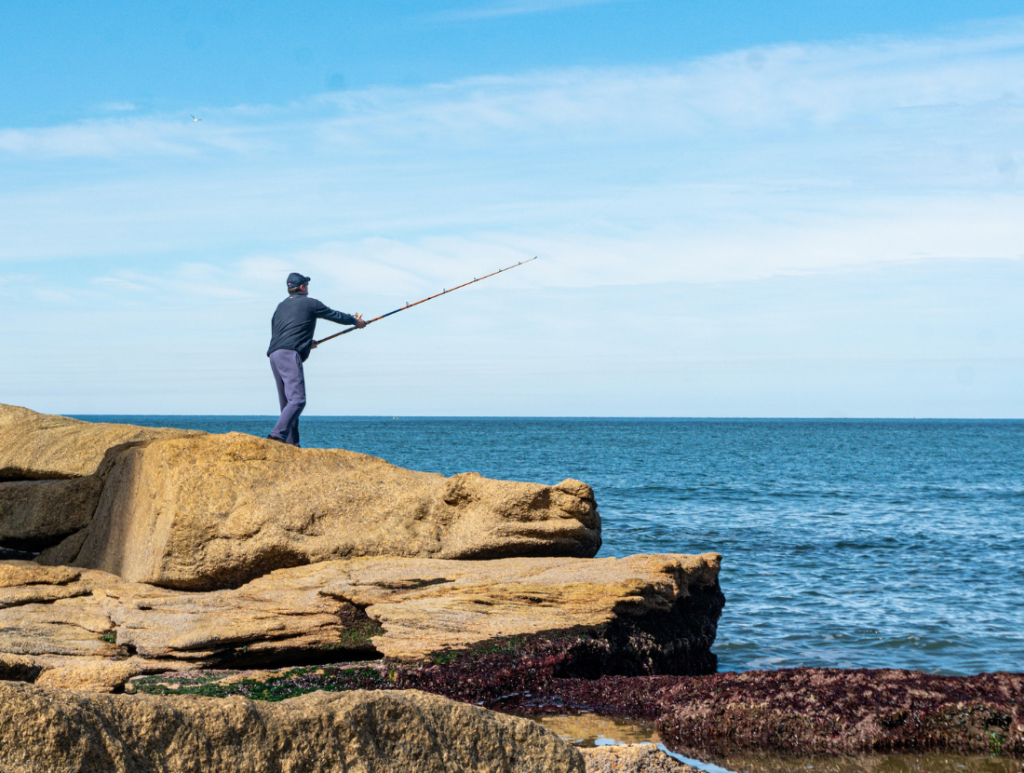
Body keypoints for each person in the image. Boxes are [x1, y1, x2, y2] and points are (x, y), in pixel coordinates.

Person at [266, 272, 366, 446]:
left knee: (287, 404)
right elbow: (334, 315)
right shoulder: (310, 303)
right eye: (307, 285)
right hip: (289, 354)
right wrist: (355, 321)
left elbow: (279, 331)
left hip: (275, 355)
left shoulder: (280, 306)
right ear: (303, 287)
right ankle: (276, 437)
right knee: (297, 400)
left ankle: (291, 445)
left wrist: (304, 342)